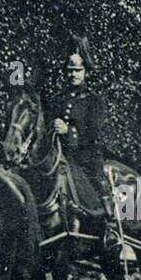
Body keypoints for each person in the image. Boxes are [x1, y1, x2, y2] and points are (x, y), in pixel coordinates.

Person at [42, 34, 114, 237]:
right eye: (70, 70)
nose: (73, 74)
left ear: (86, 73)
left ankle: (109, 224)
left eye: (78, 70)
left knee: (98, 182)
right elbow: (47, 124)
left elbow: (94, 133)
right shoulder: (58, 98)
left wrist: (69, 131)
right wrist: (53, 126)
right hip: (60, 156)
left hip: (86, 156)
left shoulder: (94, 101)